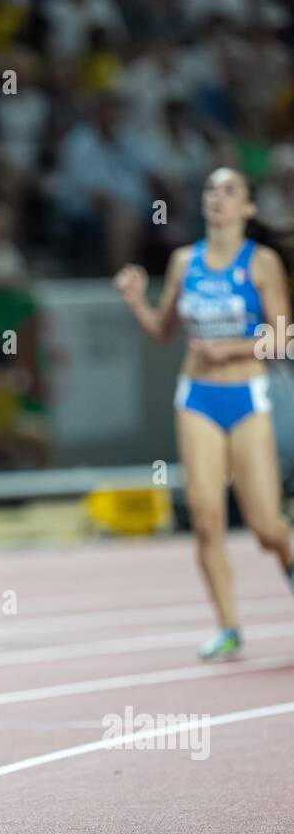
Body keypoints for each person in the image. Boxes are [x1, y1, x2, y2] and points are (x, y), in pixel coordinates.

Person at [115, 166, 293, 659]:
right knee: (208, 520)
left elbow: (285, 337)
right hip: (196, 397)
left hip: (247, 397)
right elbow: (162, 332)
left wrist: (233, 349)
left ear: (248, 207)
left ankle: (288, 560)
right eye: (211, 189)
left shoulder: (262, 264)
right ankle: (229, 625)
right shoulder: (183, 262)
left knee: (265, 526)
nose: (217, 198)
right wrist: (136, 302)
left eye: (230, 190)